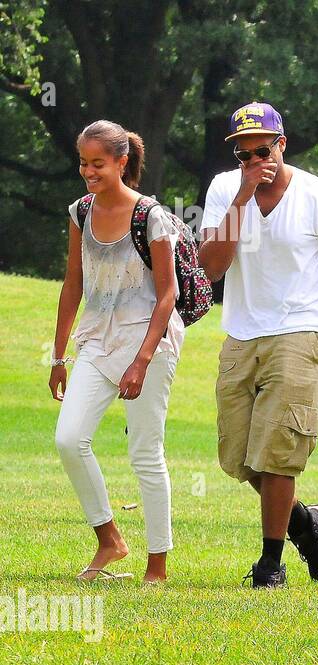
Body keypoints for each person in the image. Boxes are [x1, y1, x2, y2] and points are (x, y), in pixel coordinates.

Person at [198, 102, 318, 588]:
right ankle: (308, 525)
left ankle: (271, 563)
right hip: (241, 333)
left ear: (282, 145)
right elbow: (211, 267)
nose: (255, 160)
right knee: (239, 457)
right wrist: (242, 197)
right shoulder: (223, 190)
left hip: (302, 331)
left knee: (277, 452)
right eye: (244, 154)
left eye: (263, 150)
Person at [50, 120, 183, 584]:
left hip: (149, 341)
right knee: (69, 439)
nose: (88, 171)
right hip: (97, 339)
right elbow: (73, 283)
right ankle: (110, 539)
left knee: (146, 451)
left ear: (122, 163)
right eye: (84, 162)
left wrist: (143, 361)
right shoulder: (80, 212)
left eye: (98, 163)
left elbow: (168, 295)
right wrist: (57, 356)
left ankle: (157, 566)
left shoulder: (151, 216)